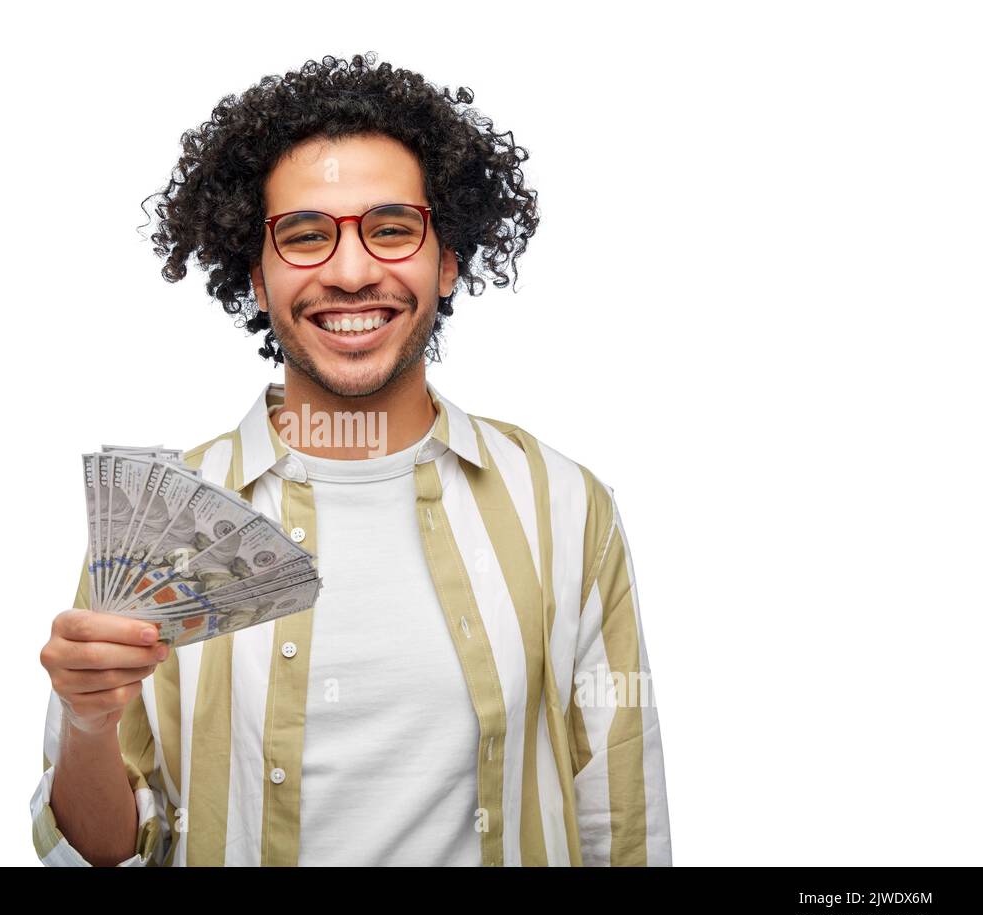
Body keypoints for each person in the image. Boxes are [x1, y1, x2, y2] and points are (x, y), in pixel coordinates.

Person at [33, 51, 671, 866]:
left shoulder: (566, 506)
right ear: (254, 278)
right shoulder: (157, 518)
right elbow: (97, 855)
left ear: (447, 260)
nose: (352, 270)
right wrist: (87, 724)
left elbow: (620, 823)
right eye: (304, 236)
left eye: (392, 228)